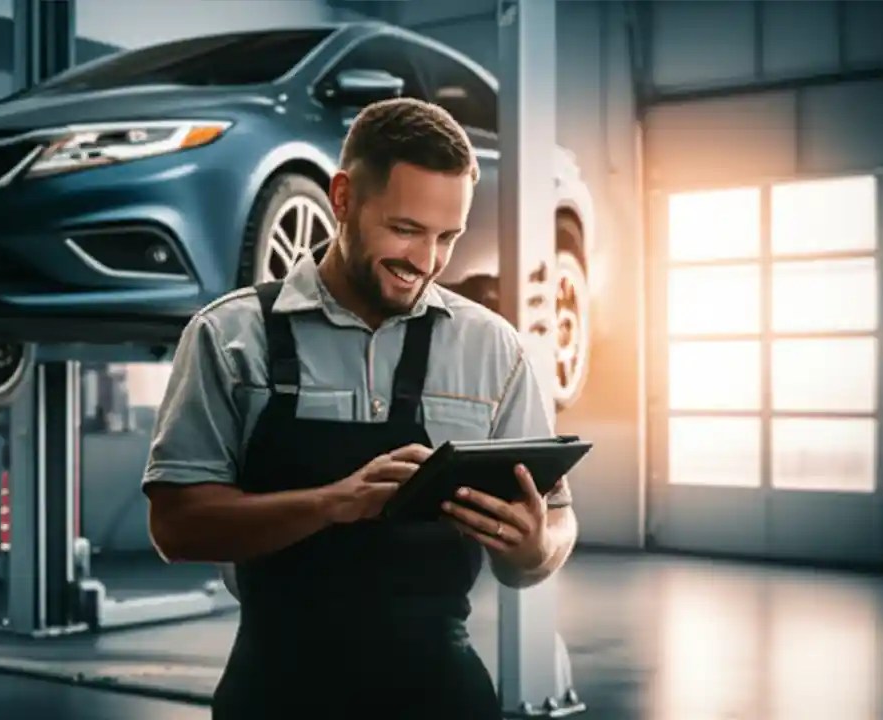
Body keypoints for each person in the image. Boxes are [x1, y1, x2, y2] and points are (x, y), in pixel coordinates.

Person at [141, 97, 579, 719]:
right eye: (404, 230)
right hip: (275, 697)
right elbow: (176, 527)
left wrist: (535, 545)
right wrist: (332, 503)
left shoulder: (492, 348)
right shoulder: (229, 337)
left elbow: (559, 522)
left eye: (446, 237)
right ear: (342, 199)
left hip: (443, 701)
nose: (424, 263)